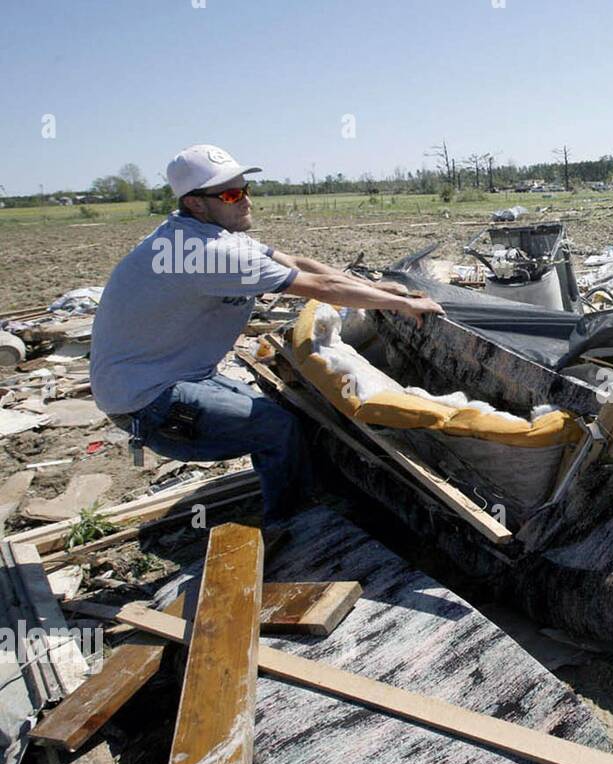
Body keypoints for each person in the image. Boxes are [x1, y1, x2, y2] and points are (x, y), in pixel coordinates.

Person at [90, 144, 445, 522]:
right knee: (277, 427)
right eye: (230, 194)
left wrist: (377, 289)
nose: (245, 202)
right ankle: (292, 522)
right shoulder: (202, 251)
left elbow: (296, 263)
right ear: (195, 203)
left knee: (284, 411)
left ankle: (300, 489)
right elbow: (319, 288)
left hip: (174, 375)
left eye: (245, 190)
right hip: (146, 399)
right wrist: (403, 305)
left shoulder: (208, 233)